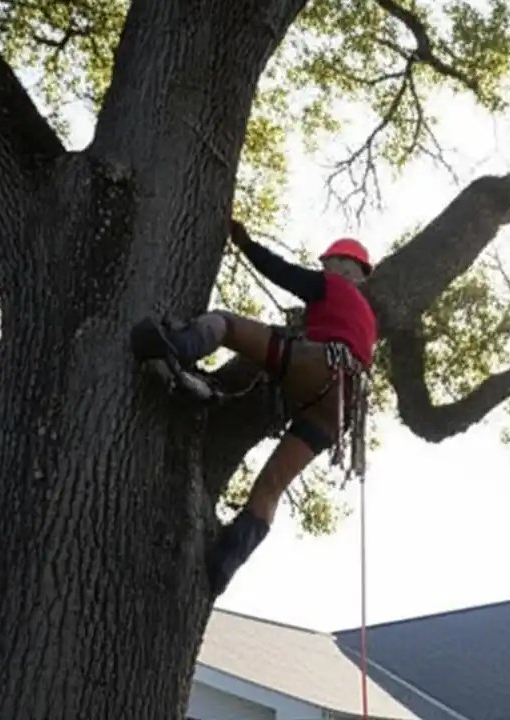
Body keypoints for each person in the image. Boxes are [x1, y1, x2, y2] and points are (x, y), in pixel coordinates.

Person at [129, 219, 378, 596]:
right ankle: (226, 562)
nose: (324, 269)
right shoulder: (368, 320)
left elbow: (281, 272)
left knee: (227, 325)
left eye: (329, 263)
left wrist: (244, 243)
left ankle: (176, 346)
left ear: (345, 266)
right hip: (338, 409)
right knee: (271, 486)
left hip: (318, 366)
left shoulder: (332, 285)